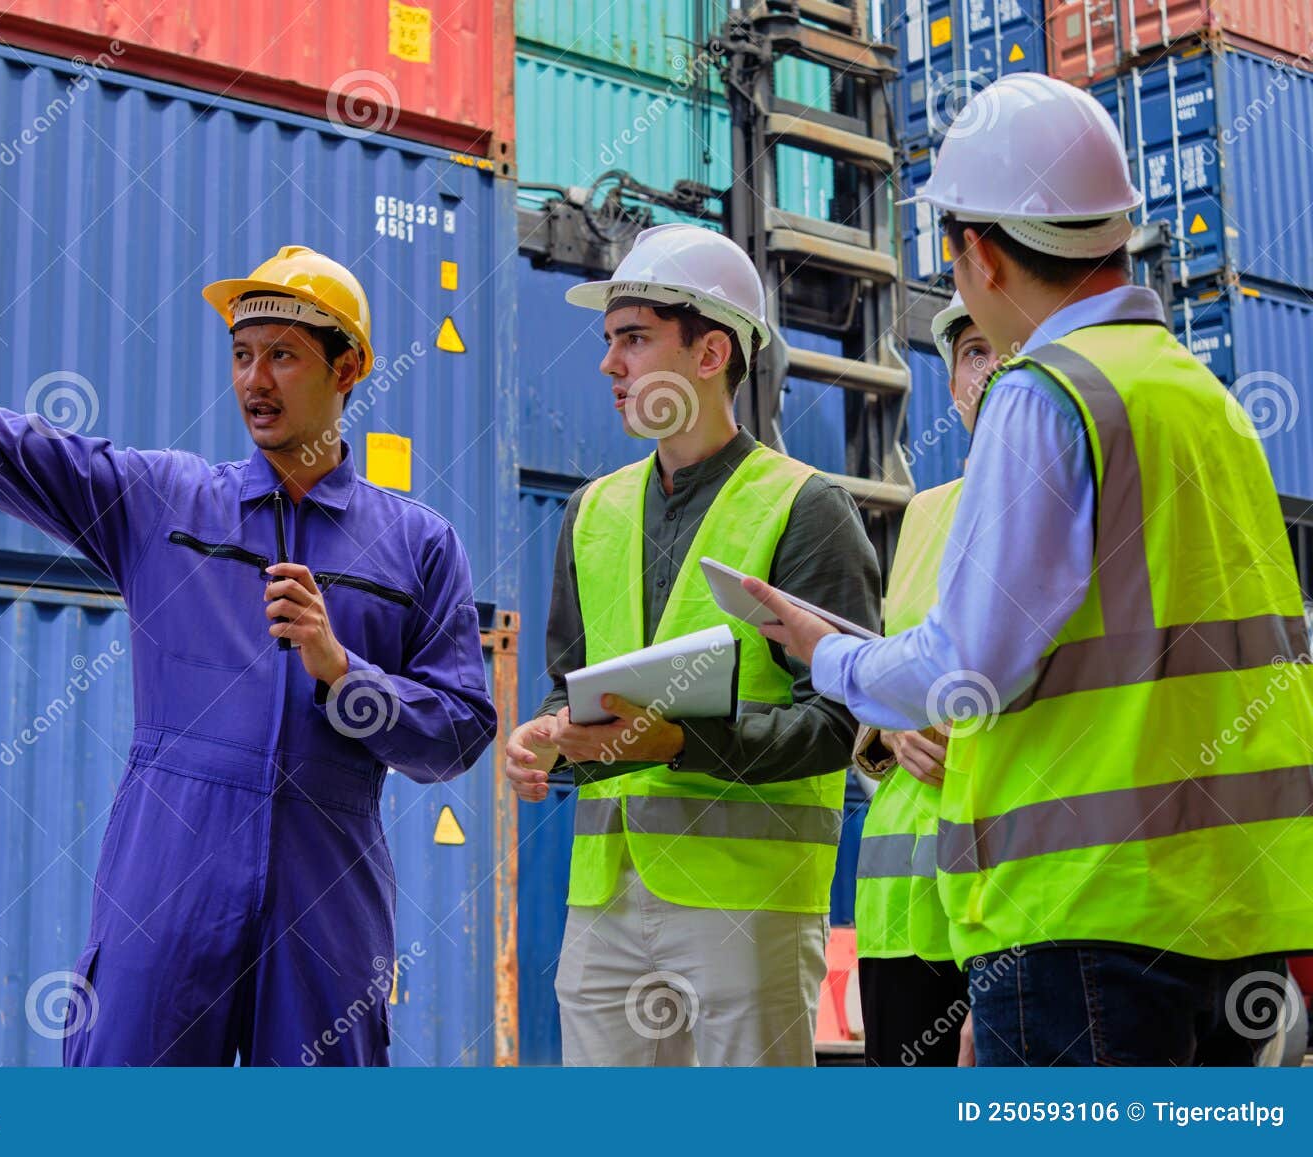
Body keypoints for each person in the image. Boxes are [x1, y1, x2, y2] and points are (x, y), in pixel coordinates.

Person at [0, 179, 497, 1066]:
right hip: (169, 877)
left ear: (347, 367)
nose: (254, 380)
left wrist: (342, 674)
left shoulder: (417, 545)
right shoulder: (161, 502)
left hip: (329, 894)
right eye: (242, 354)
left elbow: (459, 734)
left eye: (282, 355)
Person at [743, 74, 1313, 1066]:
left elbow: (967, 663)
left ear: (980, 251)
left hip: (1090, 913)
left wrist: (826, 651)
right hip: (1244, 907)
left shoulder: (1050, 392)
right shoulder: (1204, 398)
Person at [503, 223, 881, 1066]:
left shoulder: (805, 508)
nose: (610, 365)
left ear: (711, 353)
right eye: (610, 342)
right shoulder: (589, 513)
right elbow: (571, 691)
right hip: (603, 903)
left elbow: (841, 725)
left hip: (748, 907)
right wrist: (546, 741)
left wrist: (680, 740)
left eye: (633, 340)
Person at [853, 294, 996, 1066]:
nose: (993, 367)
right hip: (899, 904)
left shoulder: (1079, 497)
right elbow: (890, 667)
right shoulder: (924, 512)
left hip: (1012, 904)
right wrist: (890, 730)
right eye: (973, 353)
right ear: (952, 385)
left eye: (1007, 346)